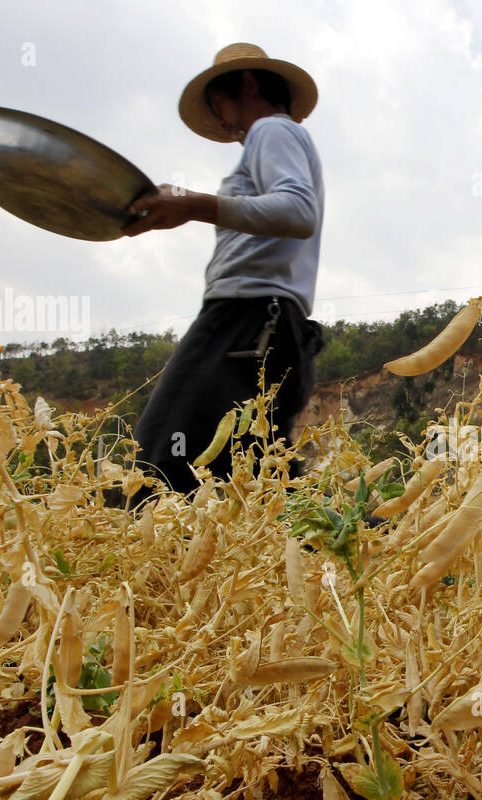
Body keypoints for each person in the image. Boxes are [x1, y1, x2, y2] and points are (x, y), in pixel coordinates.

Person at [118, 42, 325, 506]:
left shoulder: (271, 130)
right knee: (253, 483)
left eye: (220, 105)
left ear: (247, 85)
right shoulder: (275, 138)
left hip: (248, 321)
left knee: (160, 465)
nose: (225, 122)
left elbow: (297, 210)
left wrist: (192, 205)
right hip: (267, 327)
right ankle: (383, 557)